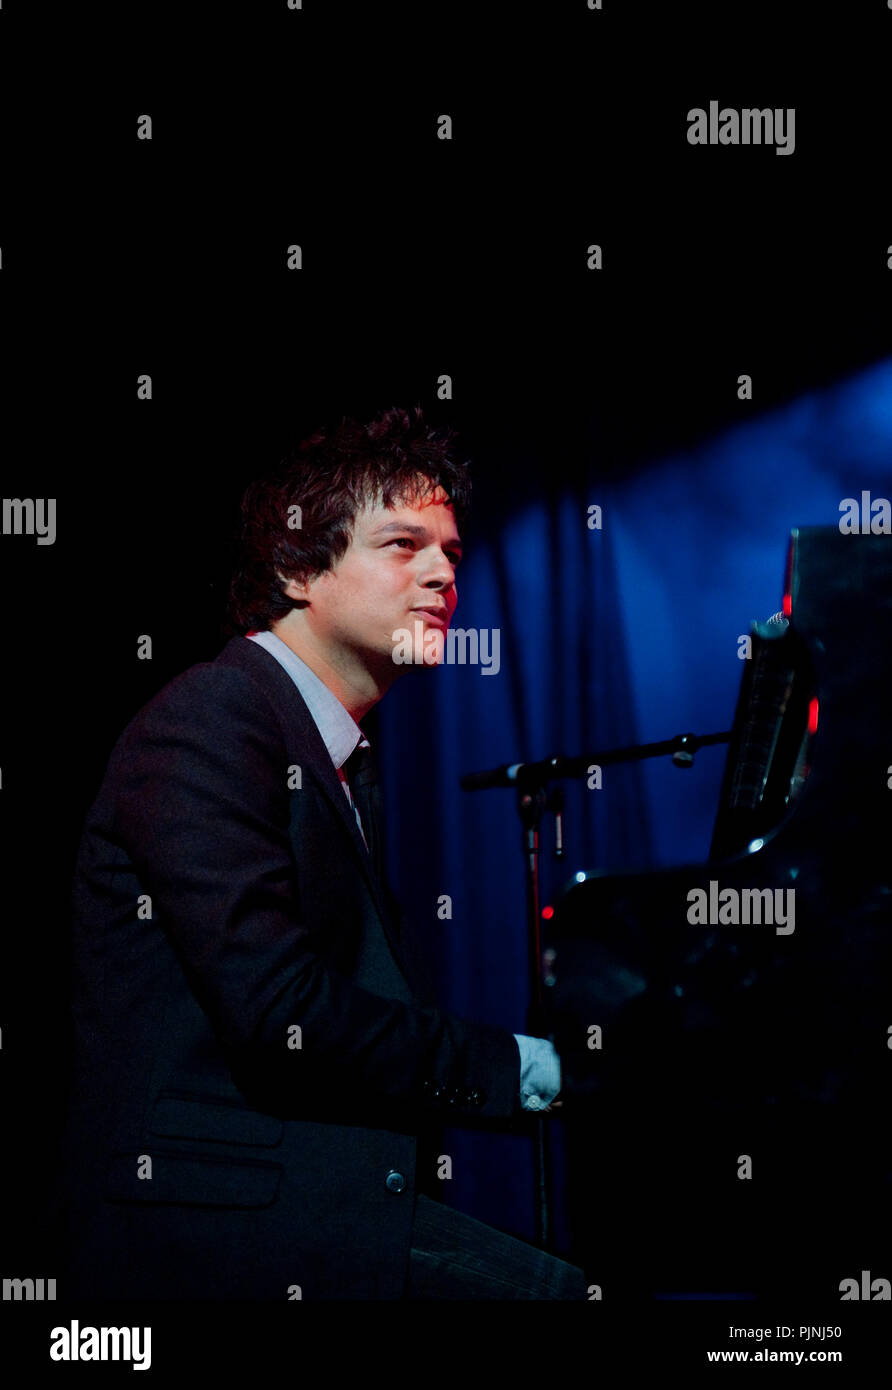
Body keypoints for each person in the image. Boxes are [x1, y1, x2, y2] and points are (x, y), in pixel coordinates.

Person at [51, 405, 587, 1299]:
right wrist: (522, 1066)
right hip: (208, 1234)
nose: (441, 577)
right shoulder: (215, 719)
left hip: (303, 1212)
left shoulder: (330, 751)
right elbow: (279, 1009)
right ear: (300, 566)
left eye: (451, 553)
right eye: (403, 545)